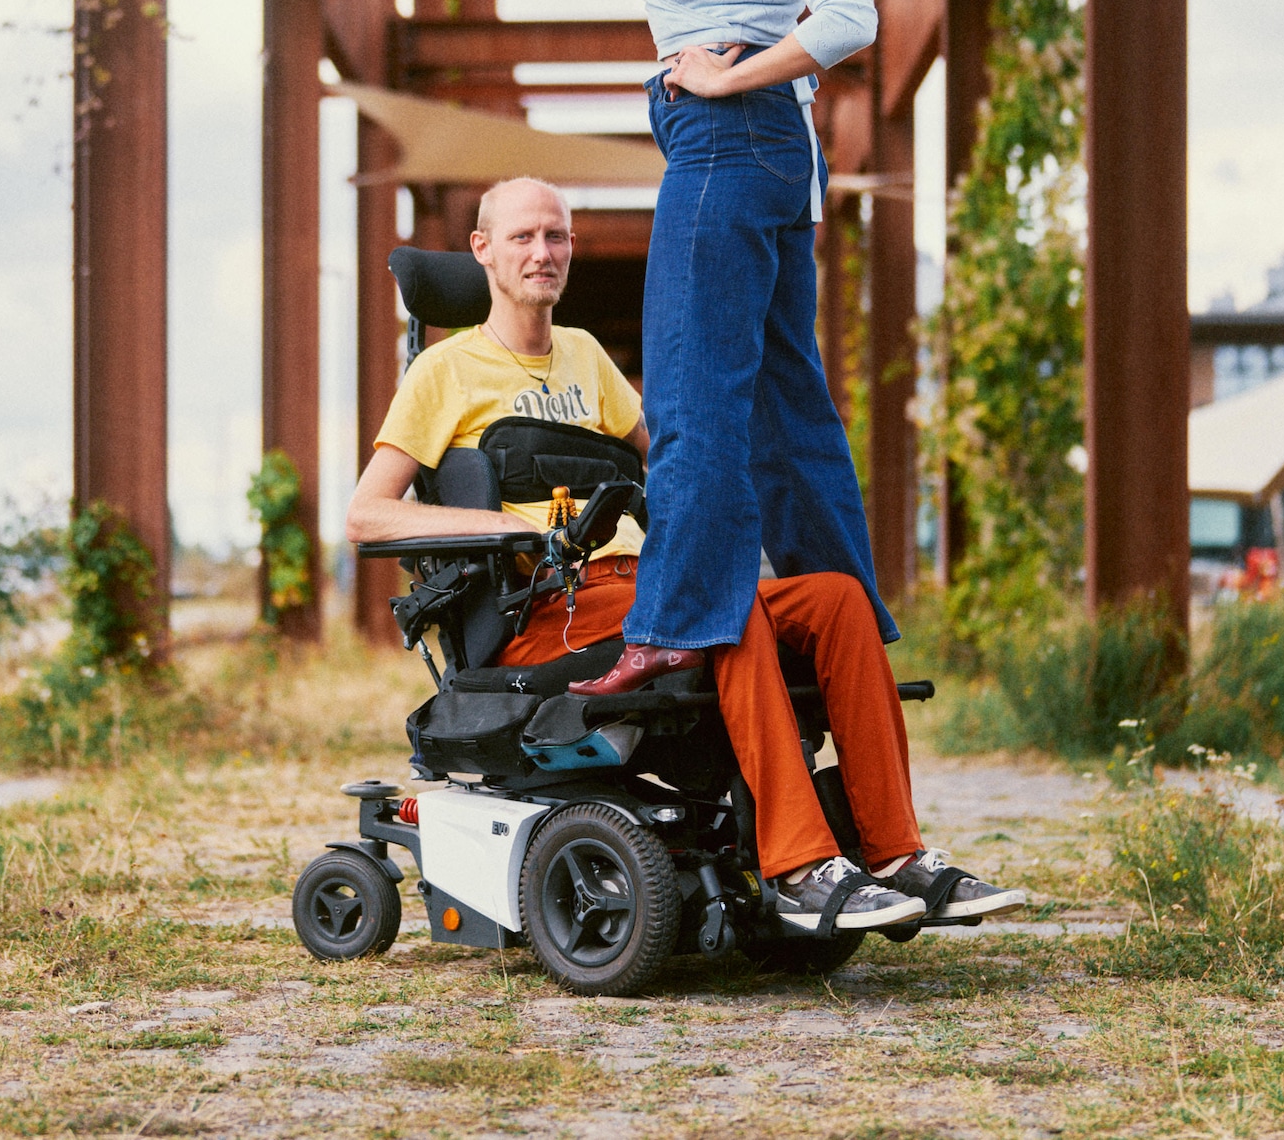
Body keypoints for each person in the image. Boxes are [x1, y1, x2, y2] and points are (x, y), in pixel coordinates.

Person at [347, 175, 1022, 930]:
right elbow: (366, 517)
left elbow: (671, 460)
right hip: (551, 610)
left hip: (651, 586)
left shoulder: (585, 357)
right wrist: (506, 532)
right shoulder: (442, 373)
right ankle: (798, 865)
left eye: (557, 236)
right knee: (719, 614)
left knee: (836, 598)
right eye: (523, 237)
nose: (544, 253)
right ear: (483, 252)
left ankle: (897, 854)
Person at [573, 0, 893, 707]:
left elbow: (848, 16)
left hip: (730, 140)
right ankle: (840, 615)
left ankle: (672, 626)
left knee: (685, 388)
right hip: (733, 150)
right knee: (781, 398)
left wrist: (731, 77)